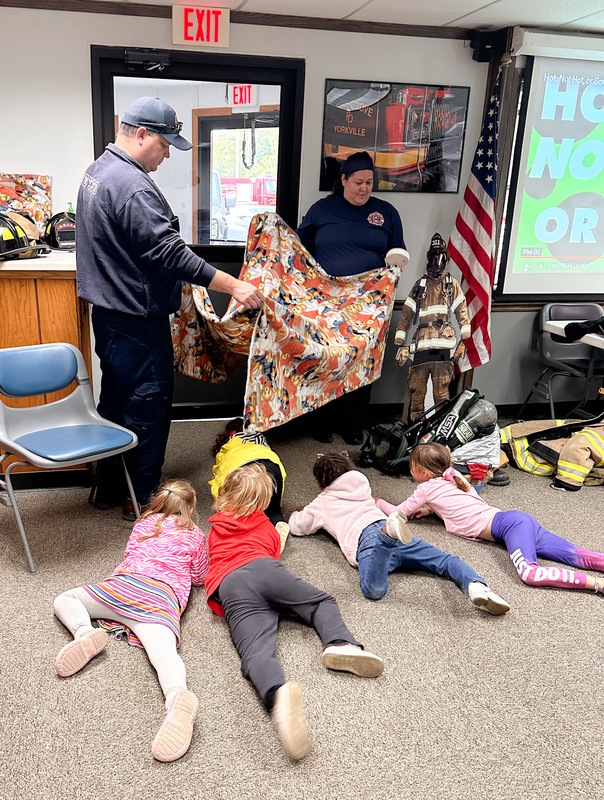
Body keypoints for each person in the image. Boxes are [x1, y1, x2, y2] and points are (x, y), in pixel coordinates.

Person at [77, 96, 264, 519]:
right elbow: (168, 253)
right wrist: (232, 284)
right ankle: (141, 498)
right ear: (141, 133)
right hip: (135, 320)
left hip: (109, 317)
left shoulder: (98, 171)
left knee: (117, 403)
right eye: (164, 145)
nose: (166, 155)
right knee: (149, 405)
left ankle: (108, 487)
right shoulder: (132, 186)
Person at [205, 462, 384, 761]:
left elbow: (208, 564)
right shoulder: (266, 526)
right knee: (320, 603)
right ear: (263, 502)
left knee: (254, 651)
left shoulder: (215, 528)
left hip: (230, 586)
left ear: (225, 494)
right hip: (264, 569)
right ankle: (339, 642)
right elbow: (273, 553)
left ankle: (276, 695)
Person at [52, 480, 208, 763]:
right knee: (164, 655)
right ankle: (177, 697)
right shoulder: (195, 534)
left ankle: (85, 634)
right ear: (191, 508)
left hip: (123, 586)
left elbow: (129, 555)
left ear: (157, 503)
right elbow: (199, 577)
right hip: (161, 598)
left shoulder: (143, 523)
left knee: (65, 599)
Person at [288, 452, 509, 614]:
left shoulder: (322, 502)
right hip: (387, 525)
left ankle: (387, 537)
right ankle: (476, 585)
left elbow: (298, 527)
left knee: (373, 590)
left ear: (321, 482)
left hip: (367, 541)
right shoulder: (362, 487)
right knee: (445, 561)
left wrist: (298, 512)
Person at [378, 442, 604, 595]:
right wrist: (431, 510)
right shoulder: (454, 475)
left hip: (510, 527)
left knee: (529, 573)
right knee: (577, 555)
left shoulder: (425, 489)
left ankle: (597, 584)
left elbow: (398, 513)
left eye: (411, 467)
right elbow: (463, 501)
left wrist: (375, 501)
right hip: (516, 521)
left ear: (422, 471)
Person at [296, 150, 408, 445]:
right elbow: (297, 251)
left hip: (369, 306)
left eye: (369, 183)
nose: (364, 188)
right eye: (358, 182)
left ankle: (353, 424)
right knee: (326, 361)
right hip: (325, 302)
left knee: (363, 362)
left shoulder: (387, 213)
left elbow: (398, 253)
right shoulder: (322, 210)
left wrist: (396, 270)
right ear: (343, 180)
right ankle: (322, 423)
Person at [394, 232, 470, 421]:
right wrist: (401, 343)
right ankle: (416, 434)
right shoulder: (420, 285)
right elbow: (406, 314)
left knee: (442, 395)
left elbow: (462, 312)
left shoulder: (451, 285)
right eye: (433, 256)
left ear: (446, 259)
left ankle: (439, 434)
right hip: (421, 348)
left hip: (443, 350)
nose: (437, 262)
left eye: (440, 257)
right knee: (417, 394)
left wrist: (464, 341)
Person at [210, 417, 289, 550]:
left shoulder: (231, 441)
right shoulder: (259, 437)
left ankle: (248, 537)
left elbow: (221, 474)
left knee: (239, 506)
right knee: (273, 508)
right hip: (272, 466)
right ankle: (278, 524)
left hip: (245, 467)